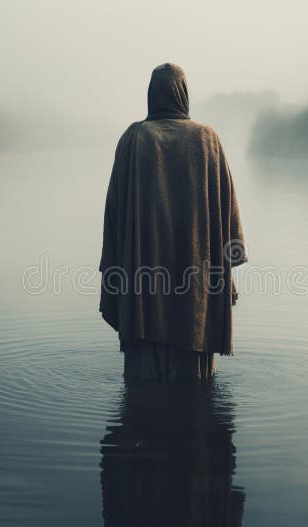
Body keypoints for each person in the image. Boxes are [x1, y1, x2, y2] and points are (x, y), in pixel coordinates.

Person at [98, 63, 247, 384]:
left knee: (142, 392)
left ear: (151, 94)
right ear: (184, 94)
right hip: (196, 285)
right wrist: (228, 271)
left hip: (143, 293)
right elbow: (228, 211)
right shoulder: (207, 140)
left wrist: (113, 271)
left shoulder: (133, 139)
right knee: (195, 392)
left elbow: (113, 216)